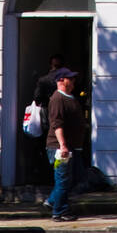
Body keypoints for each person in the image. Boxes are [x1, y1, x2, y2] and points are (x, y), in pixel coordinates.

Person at [44, 67, 86, 223]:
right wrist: (63, 146)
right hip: (60, 147)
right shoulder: (57, 99)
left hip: (71, 147)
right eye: (70, 78)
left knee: (72, 179)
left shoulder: (69, 97)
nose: (73, 81)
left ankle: (52, 201)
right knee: (63, 179)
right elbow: (57, 124)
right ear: (61, 80)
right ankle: (59, 211)